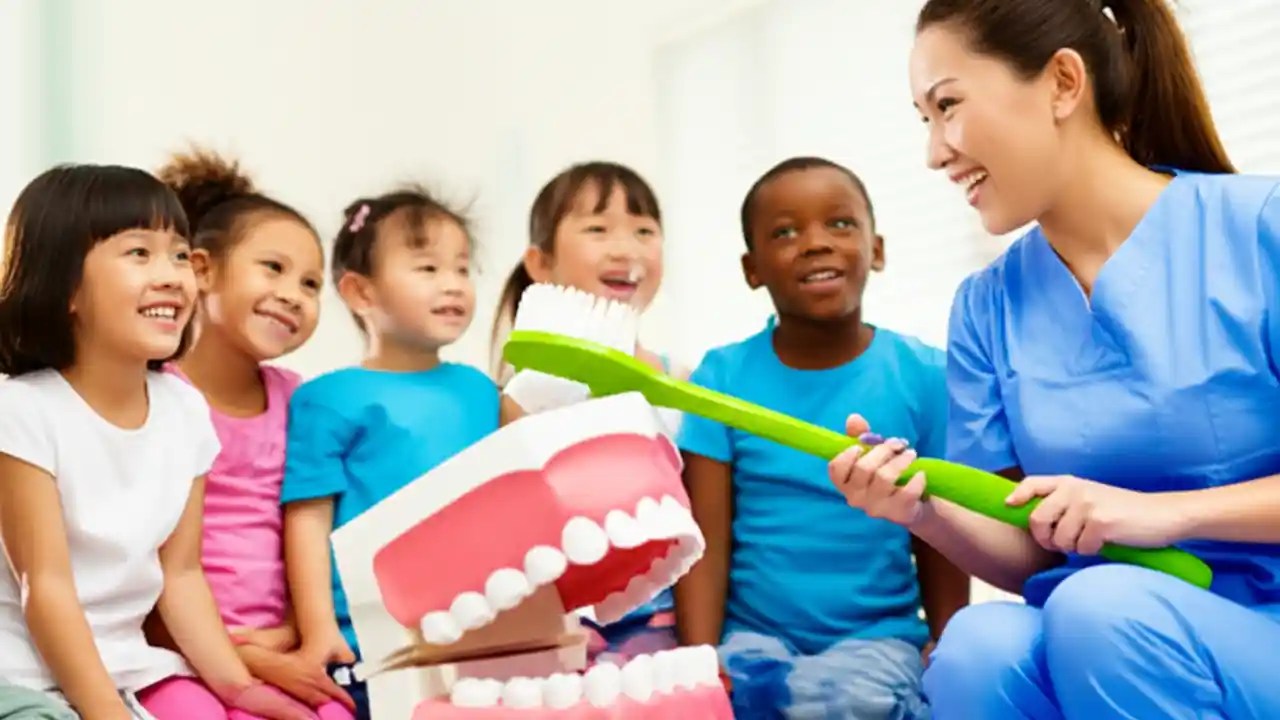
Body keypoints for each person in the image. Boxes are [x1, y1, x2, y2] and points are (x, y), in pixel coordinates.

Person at [829, 1, 1280, 717]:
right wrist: (922, 510)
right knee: (978, 647)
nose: (935, 152)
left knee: (1100, 607)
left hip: (1251, 630)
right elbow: (1031, 551)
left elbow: (1113, 576)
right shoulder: (986, 308)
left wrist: (1160, 516)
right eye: (924, 118)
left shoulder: (1262, 230)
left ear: (1063, 83)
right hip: (1104, 629)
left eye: (948, 105)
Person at [0, 164, 312, 720]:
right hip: (19, 673)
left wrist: (239, 689)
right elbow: (45, 588)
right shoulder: (21, 410)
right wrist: (108, 715)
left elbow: (182, 574)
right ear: (64, 283)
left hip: (130, 667)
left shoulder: (184, 409)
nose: (172, 275)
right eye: (139, 253)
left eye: (177, 254)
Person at [678, 156, 969, 718]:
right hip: (753, 639)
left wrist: (948, 637)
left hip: (881, 640)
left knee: (857, 699)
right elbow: (705, 537)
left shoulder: (925, 375)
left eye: (840, 224)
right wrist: (697, 656)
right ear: (752, 268)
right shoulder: (722, 377)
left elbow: (938, 526)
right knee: (741, 695)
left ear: (876, 250)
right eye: (785, 232)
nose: (816, 243)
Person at [282, 187, 499, 720]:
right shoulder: (327, 398)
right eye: (427, 268)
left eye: (462, 269)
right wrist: (318, 631)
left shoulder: (480, 390)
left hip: (480, 633)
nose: (452, 284)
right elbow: (307, 519)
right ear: (360, 293)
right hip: (370, 641)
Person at [153, 149, 355, 719]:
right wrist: (241, 654)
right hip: (175, 651)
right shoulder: (157, 396)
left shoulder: (302, 400)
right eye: (273, 268)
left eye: (312, 284)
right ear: (202, 270)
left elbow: (310, 531)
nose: (294, 293)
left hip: (284, 643)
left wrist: (294, 632)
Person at [491, 161, 688, 665]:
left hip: (665, 614)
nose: (626, 248)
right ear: (540, 264)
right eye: (597, 230)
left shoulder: (683, 380)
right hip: (564, 620)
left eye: (645, 231)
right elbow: (519, 520)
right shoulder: (521, 393)